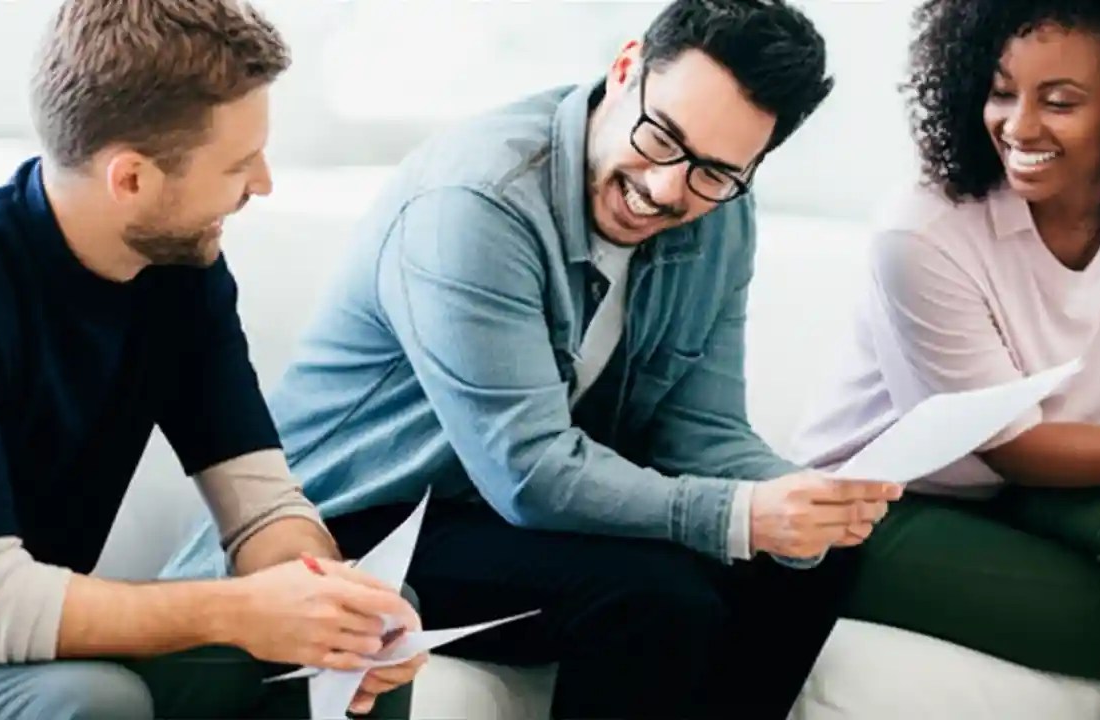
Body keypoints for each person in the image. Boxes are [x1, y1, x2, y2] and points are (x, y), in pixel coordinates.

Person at [162, 1, 905, 717]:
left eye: (715, 171)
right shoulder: (478, 199)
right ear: (625, 69)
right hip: (372, 517)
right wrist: (741, 514)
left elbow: (699, 429)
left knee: (813, 562)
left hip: (506, 523)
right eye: (659, 138)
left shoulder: (722, 215)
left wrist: (804, 500)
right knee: (654, 596)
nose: (665, 187)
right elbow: (529, 471)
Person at [0, 1, 427, 718]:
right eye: (237, 162)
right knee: (91, 701)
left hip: (12, 637)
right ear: (130, 178)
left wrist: (317, 590)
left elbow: (261, 506)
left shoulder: (182, 269)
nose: (262, 182)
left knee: (361, 628)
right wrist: (241, 610)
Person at [787, 0, 1100, 717]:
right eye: (1001, 91)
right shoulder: (922, 231)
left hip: (1040, 500)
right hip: (878, 510)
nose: (1018, 126)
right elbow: (1017, 449)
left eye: (1060, 101)